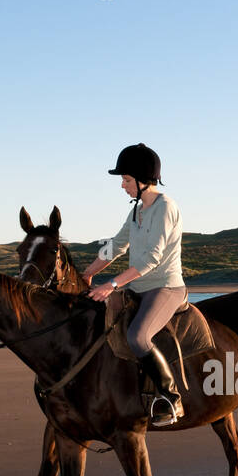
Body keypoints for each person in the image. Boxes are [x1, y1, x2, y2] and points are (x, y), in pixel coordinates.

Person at [85, 143, 187, 426]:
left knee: (137, 337)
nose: (122, 186)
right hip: (138, 287)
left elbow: (152, 259)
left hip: (165, 287)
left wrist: (111, 285)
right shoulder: (137, 211)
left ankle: (171, 398)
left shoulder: (166, 207)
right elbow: (116, 245)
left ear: (144, 181)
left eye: (127, 180)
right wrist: (88, 274)